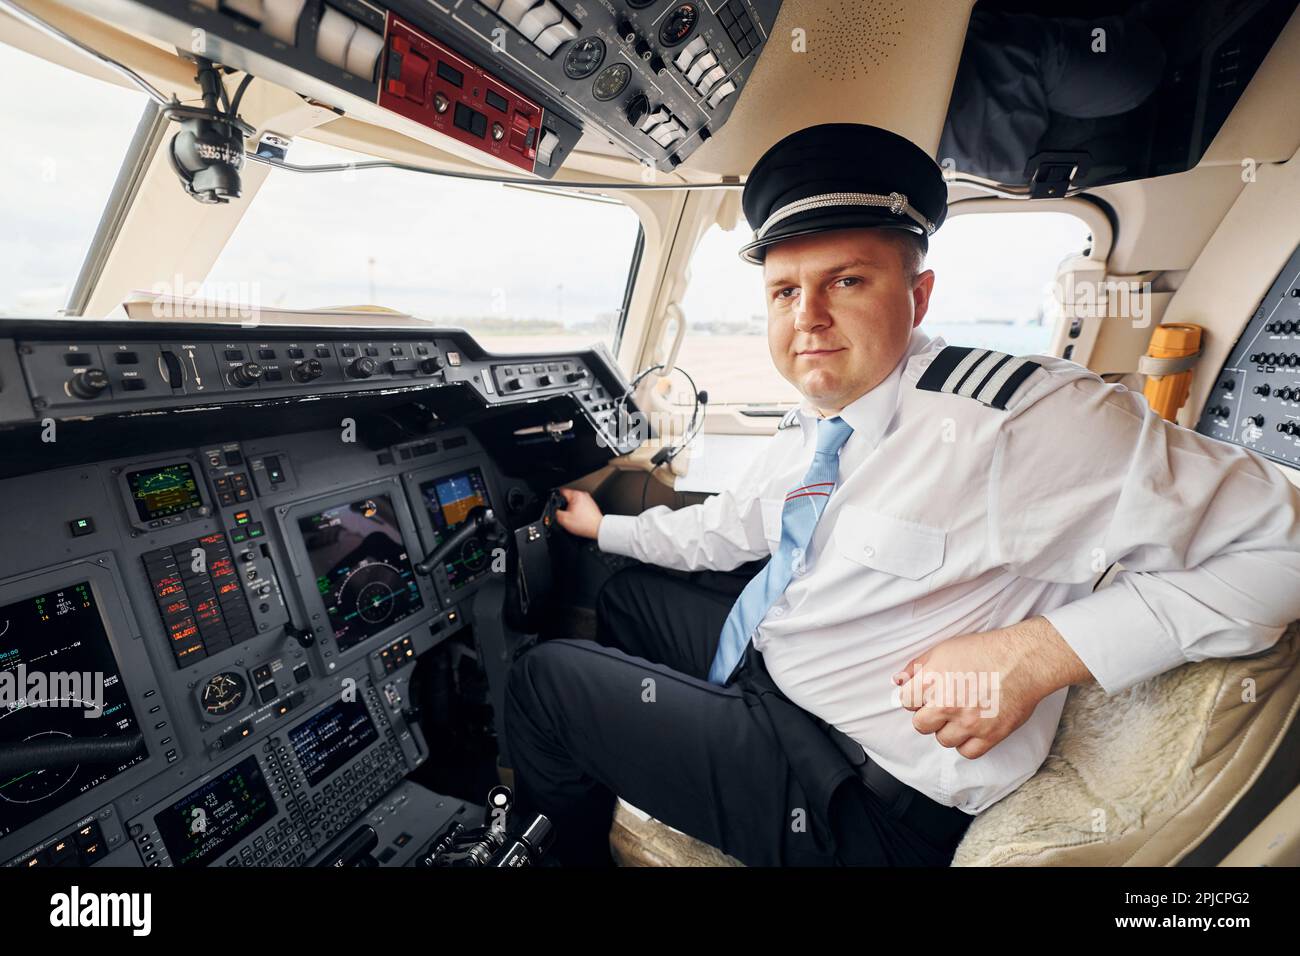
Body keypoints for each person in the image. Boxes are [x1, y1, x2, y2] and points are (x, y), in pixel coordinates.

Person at [502, 123, 1300, 867]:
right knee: (632, 595)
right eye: (784, 292)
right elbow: (735, 527)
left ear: (916, 298)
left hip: (865, 791)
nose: (807, 318)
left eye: (846, 280)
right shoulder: (823, 410)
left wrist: (1039, 653)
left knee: (542, 682)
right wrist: (607, 529)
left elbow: (1286, 547)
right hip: (787, 676)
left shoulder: (1018, 422)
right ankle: (640, 756)